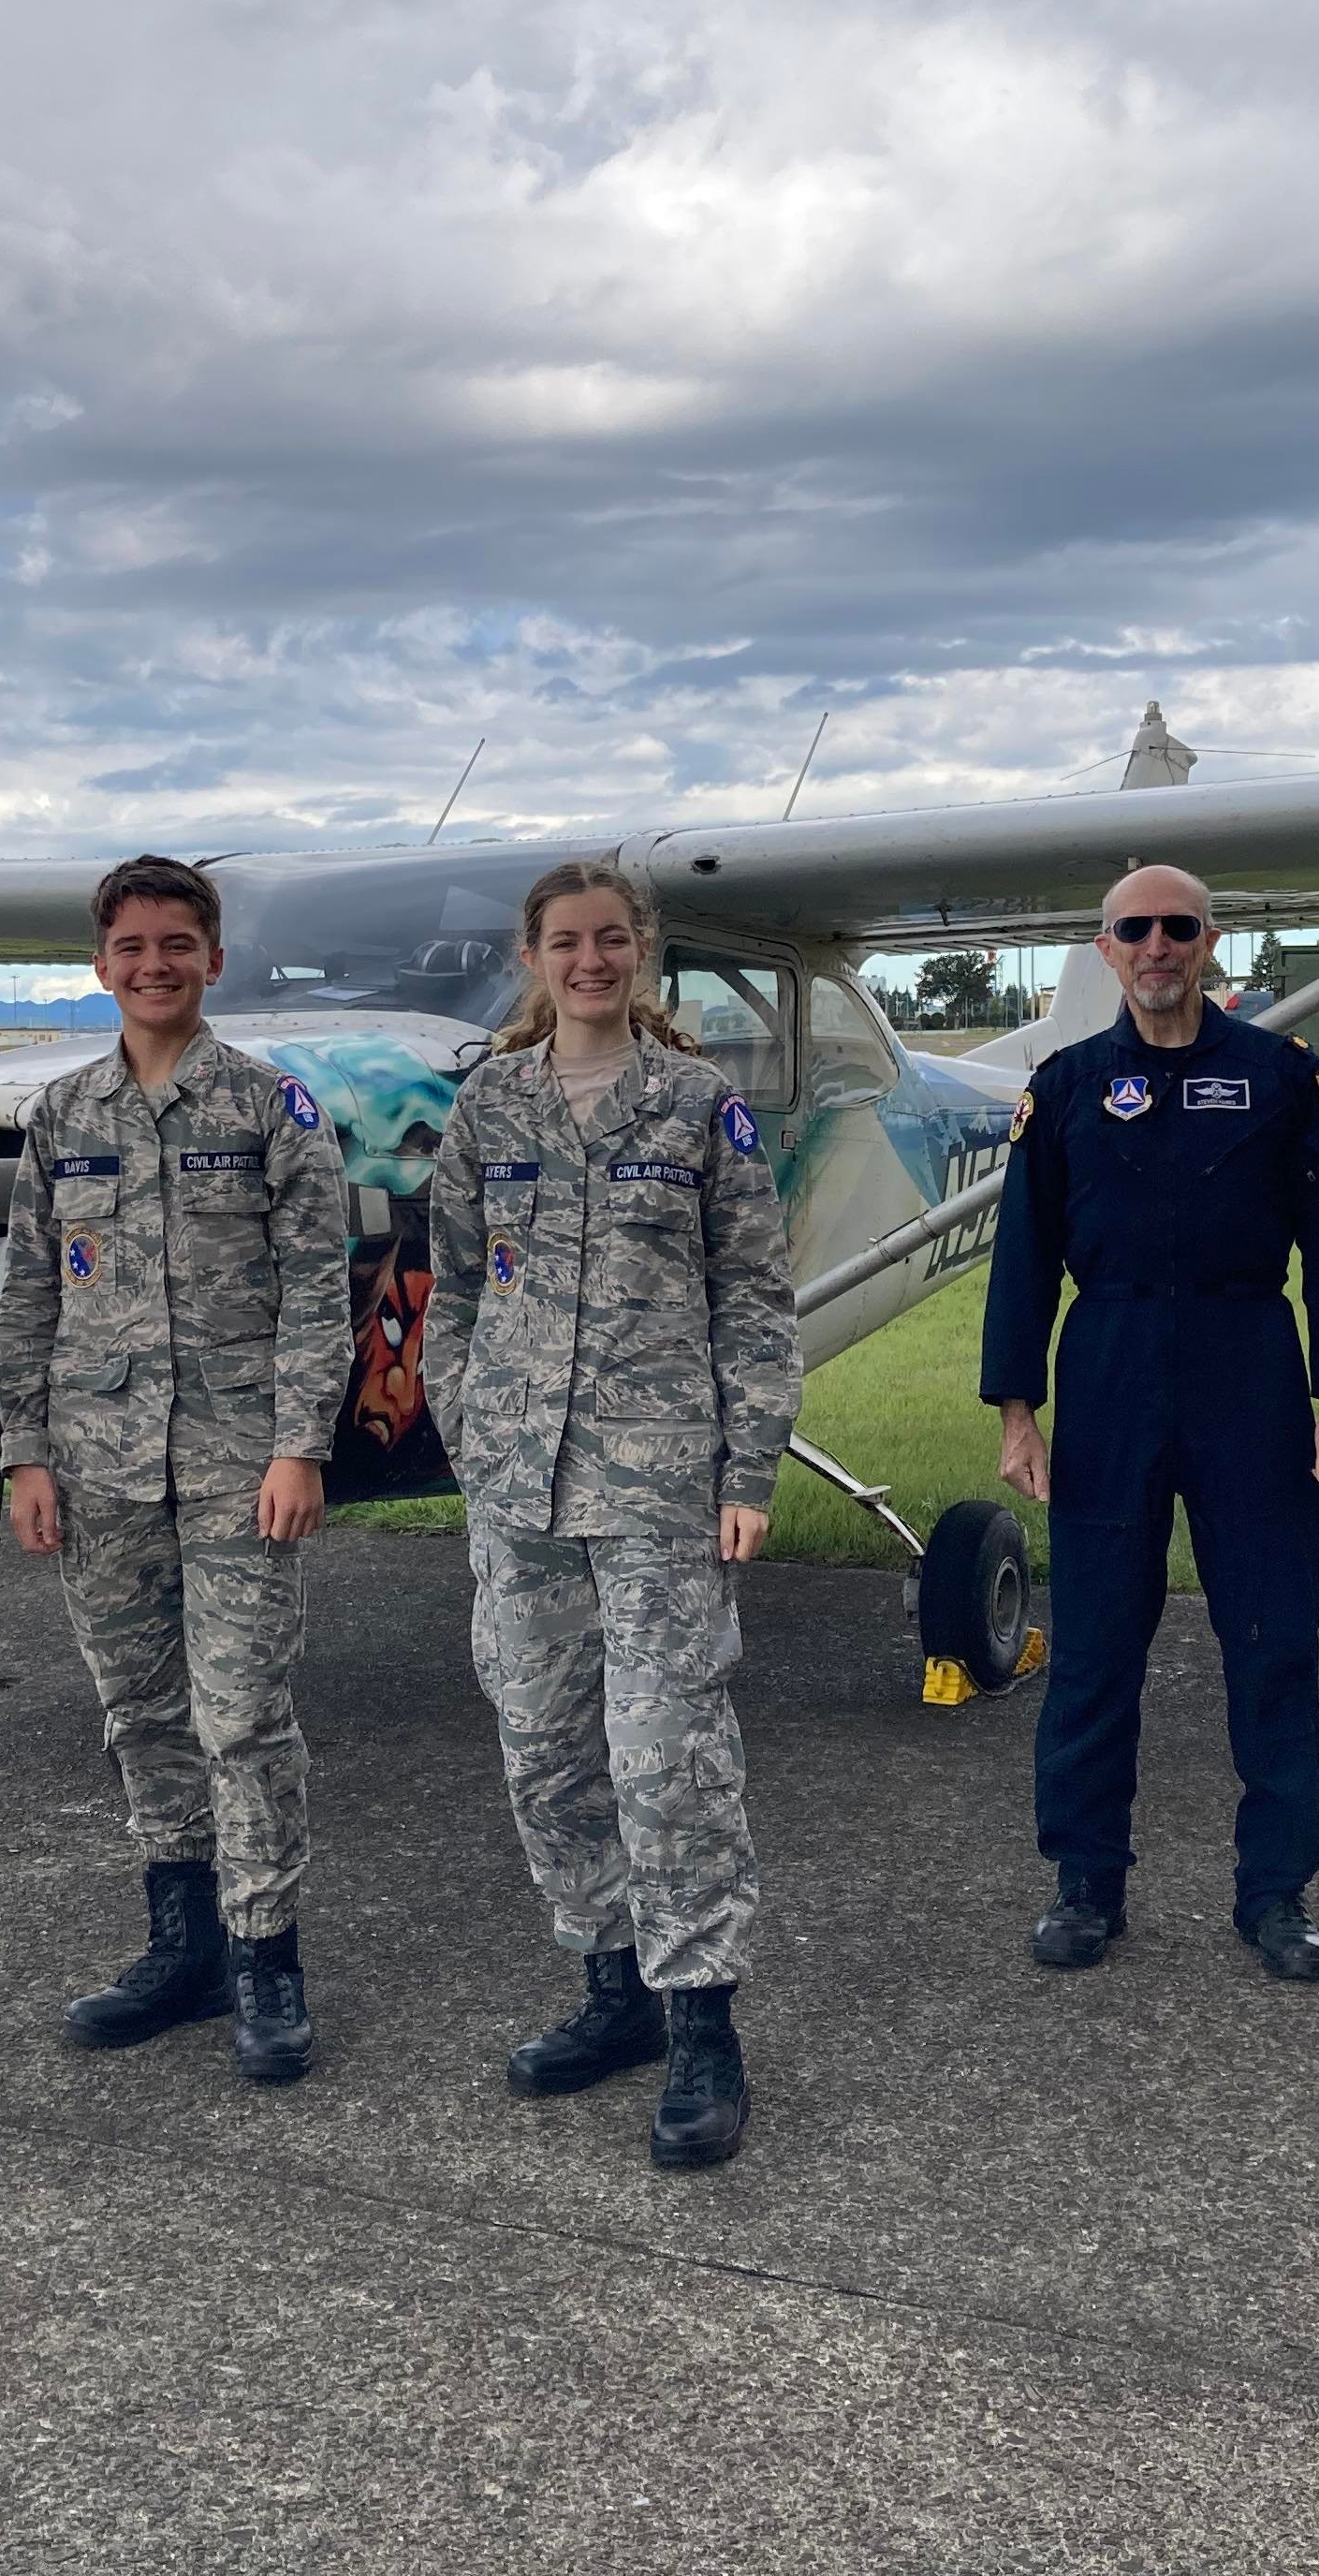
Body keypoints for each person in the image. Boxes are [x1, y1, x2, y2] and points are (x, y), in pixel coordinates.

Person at [424, 859, 799, 2169]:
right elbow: (456, 1290)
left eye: (611, 940)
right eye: (566, 942)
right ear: (531, 958)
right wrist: (466, 1429)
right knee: (545, 1747)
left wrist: (748, 1470)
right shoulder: (489, 1109)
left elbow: (753, 1296)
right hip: (520, 1489)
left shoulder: (700, 1107)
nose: (590, 961)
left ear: (642, 954)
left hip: (657, 1487)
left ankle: (703, 2024)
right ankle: (611, 1989)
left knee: (668, 1756)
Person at [977, 862, 1319, 1983]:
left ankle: (1277, 1893)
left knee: (1273, 1639)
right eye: (1133, 930)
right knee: (1099, 1643)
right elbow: (1024, 1260)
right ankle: (1085, 1882)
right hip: (1109, 1368)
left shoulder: (1278, 1077)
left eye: (1178, 928)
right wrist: (1019, 1410)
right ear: (1105, 950)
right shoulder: (1063, 1088)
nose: (1157, 946)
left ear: (1211, 943)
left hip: (1247, 1365)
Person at [0, 855, 349, 2084]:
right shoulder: (60, 1116)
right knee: (142, 1718)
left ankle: (267, 1964)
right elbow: (31, 1297)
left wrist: (303, 1445)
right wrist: (26, 1454)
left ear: (214, 960)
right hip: (98, 1469)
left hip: (238, 1463)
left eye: (177, 944)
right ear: (101, 966)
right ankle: (181, 1949)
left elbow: (319, 1294)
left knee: (243, 1720)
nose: (154, 965)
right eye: (131, 946)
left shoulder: (270, 1111)